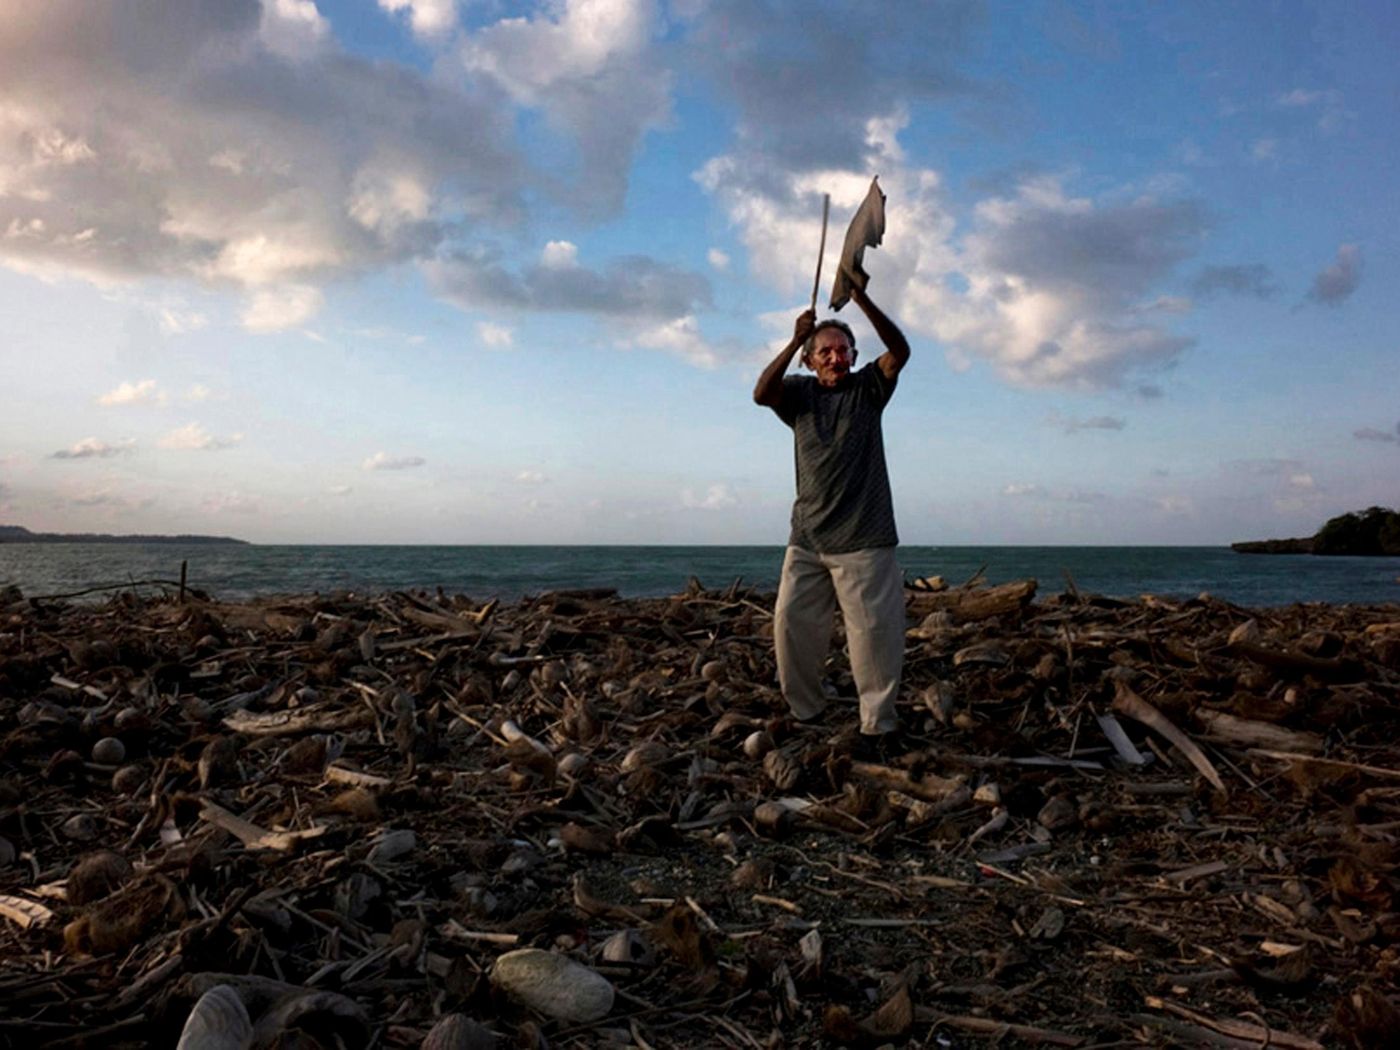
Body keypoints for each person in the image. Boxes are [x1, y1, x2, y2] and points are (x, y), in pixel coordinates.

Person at [752, 275, 911, 751]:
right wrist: (795, 338)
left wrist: (860, 295)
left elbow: (900, 351)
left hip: (864, 538)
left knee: (874, 640)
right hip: (807, 539)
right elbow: (762, 392)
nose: (836, 357)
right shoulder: (798, 394)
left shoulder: (868, 389)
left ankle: (878, 726)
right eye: (825, 351)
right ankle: (807, 710)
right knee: (791, 626)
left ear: (854, 356)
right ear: (809, 360)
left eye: (844, 350)